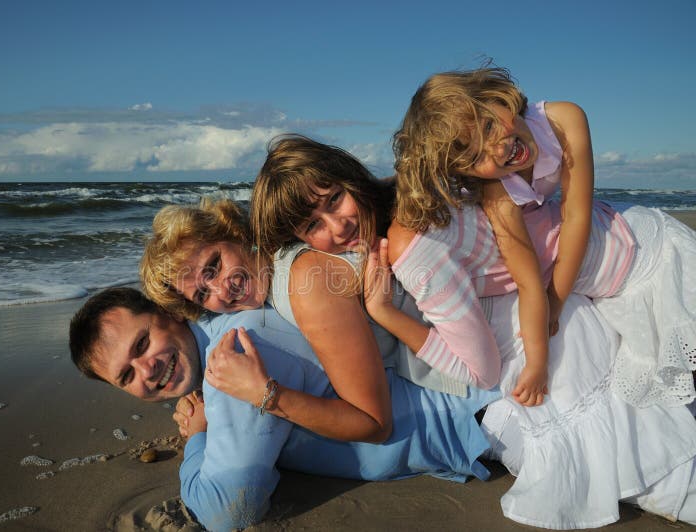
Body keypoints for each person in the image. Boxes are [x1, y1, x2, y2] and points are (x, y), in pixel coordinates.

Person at [246, 134, 696, 529]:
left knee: (640, 446)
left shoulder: (409, 237)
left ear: (351, 177)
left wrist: (383, 312)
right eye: (312, 226)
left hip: (606, 274)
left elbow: (476, 369)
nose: (337, 225)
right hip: (566, 293)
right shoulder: (388, 222)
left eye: (333, 200)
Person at [68, 286, 496, 531]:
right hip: (472, 400)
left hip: (485, 421)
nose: (148, 369)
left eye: (142, 344)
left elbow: (225, 513)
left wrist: (199, 436)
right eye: (127, 375)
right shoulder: (233, 321)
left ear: (171, 314)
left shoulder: (232, 361)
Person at [392, 65, 696, 408]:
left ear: (495, 96)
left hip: (646, 248)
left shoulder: (564, 119)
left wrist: (555, 303)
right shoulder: (495, 191)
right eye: (477, 157)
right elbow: (527, 280)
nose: (498, 149)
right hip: (610, 281)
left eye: (490, 125)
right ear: (463, 172)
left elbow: (576, 214)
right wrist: (538, 365)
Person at [139, 199, 489, 444]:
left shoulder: (302, 282)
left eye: (214, 266)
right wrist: (200, 394)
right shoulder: (278, 266)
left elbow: (374, 425)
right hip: (466, 352)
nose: (222, 290)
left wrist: (265, 395)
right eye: (203, 295)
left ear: (234, 233)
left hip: (480, 390)